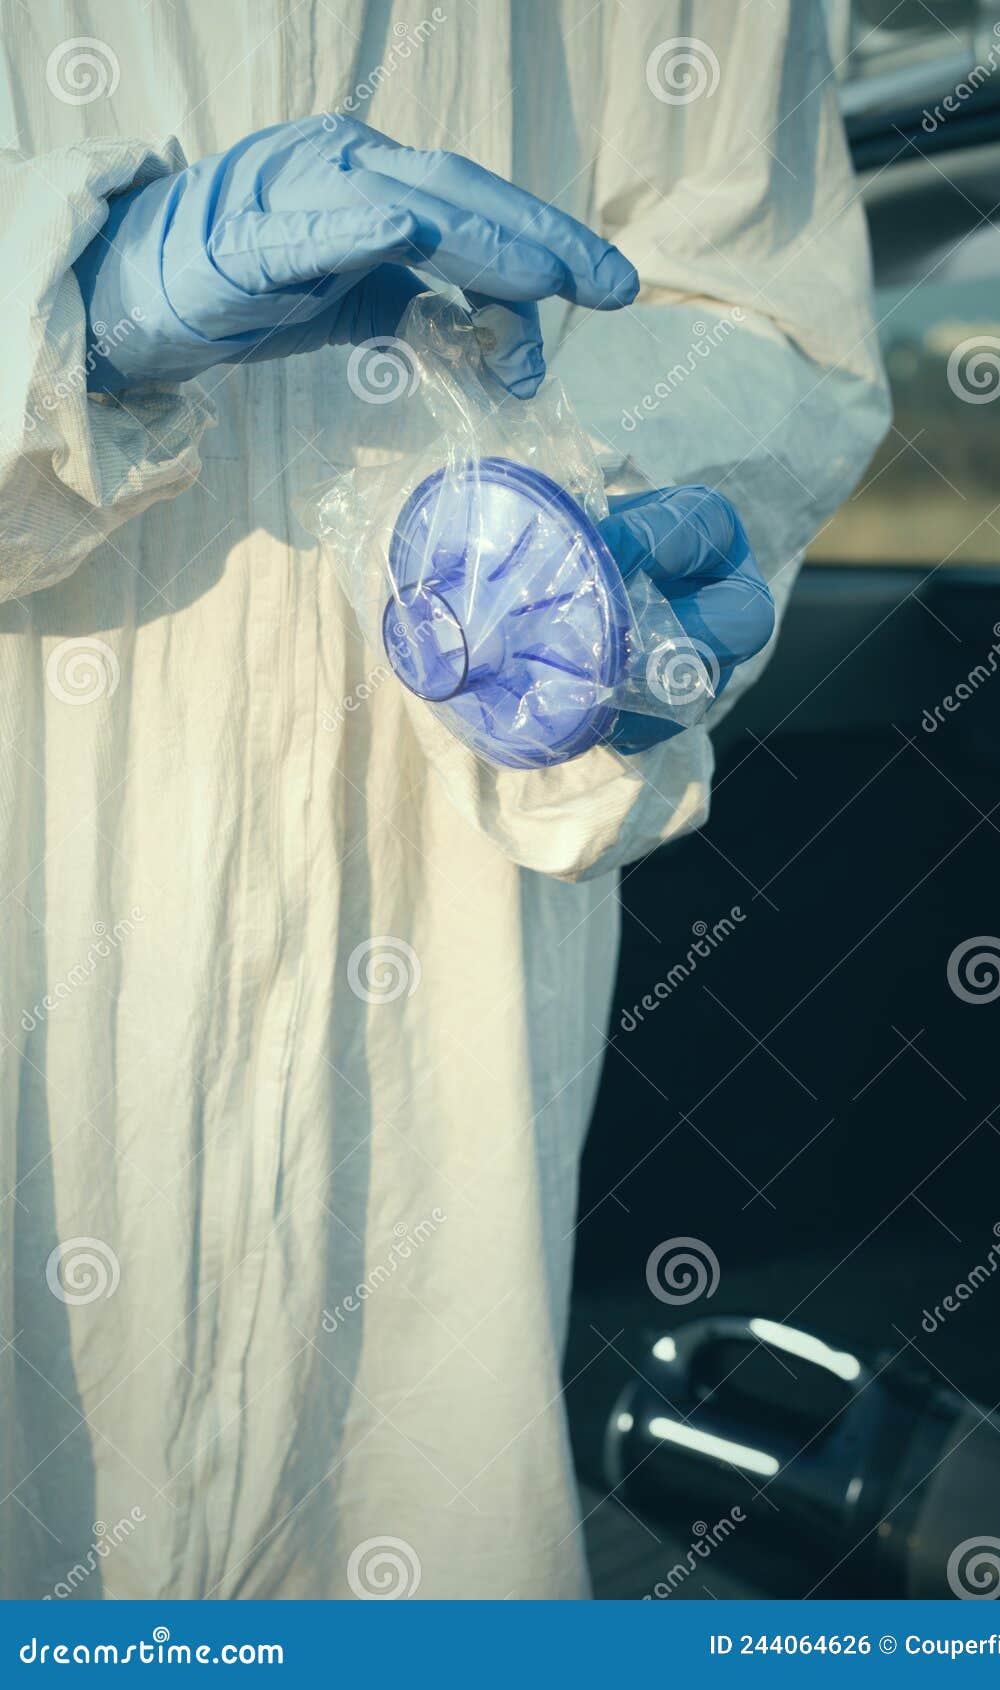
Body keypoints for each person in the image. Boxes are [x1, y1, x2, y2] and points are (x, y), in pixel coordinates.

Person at [0, 2, 889, 1599]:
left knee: (392, 1514)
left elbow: (757, 299)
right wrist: (59, 307)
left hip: (428, 896)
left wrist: (593, 504)